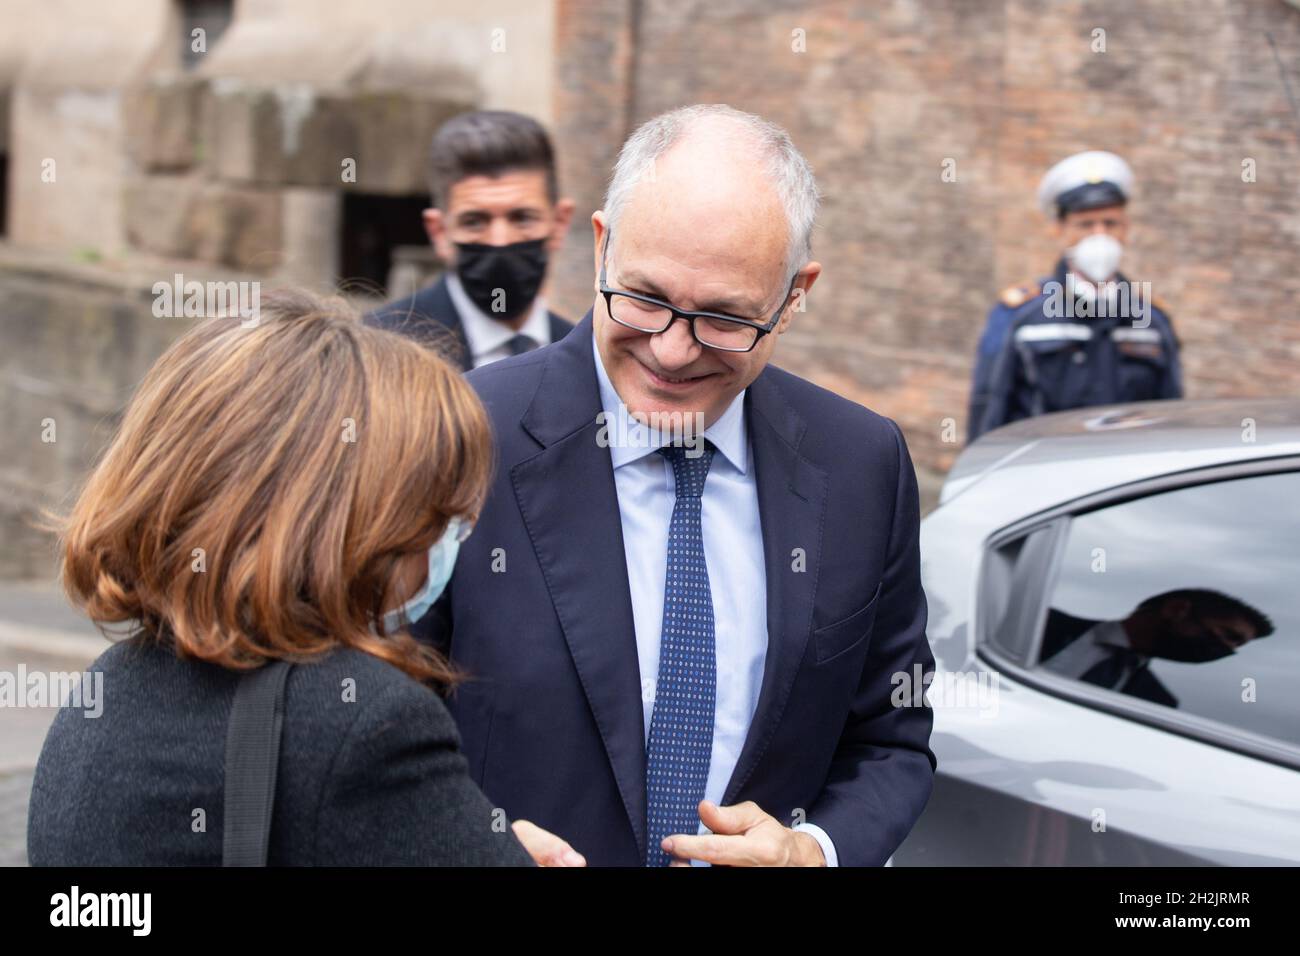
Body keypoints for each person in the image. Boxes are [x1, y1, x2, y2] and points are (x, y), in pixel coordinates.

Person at [415, 105, 937, 867]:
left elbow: (891, 740)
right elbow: (365, 718)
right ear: (600, 247)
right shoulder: (458, 433)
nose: (671, 350)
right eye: (645, 298)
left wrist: (813, 853)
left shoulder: (864, 464)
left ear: (794, 297)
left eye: (724, 319)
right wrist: (463, 845)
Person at [27, 290, 574, 866]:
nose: (446, 544)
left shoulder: (113, 684)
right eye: (434, 514)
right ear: (351, 521)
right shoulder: (362, 724)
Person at [968, 150, 1182, 442]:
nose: (1099, 236)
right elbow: (989, 409)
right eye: (1085, 225)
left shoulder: (1151, 319)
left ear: (1126, 228)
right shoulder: (1021, 316)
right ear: (1060, 230)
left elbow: (1171, 416)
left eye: (1109, 224)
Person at [369, 110, 576, 369]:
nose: (500, 241)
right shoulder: (378, 350)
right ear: (439, 232)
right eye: (474, 222)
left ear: (559, 223)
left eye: (522, 218)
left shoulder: (587, 354)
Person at [1040, 589, 1274, 708]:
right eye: (1229, 635)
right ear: (1176, 610)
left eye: (1237, 645)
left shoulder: (1156, 702)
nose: (1226, 649)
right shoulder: (1039, 623)